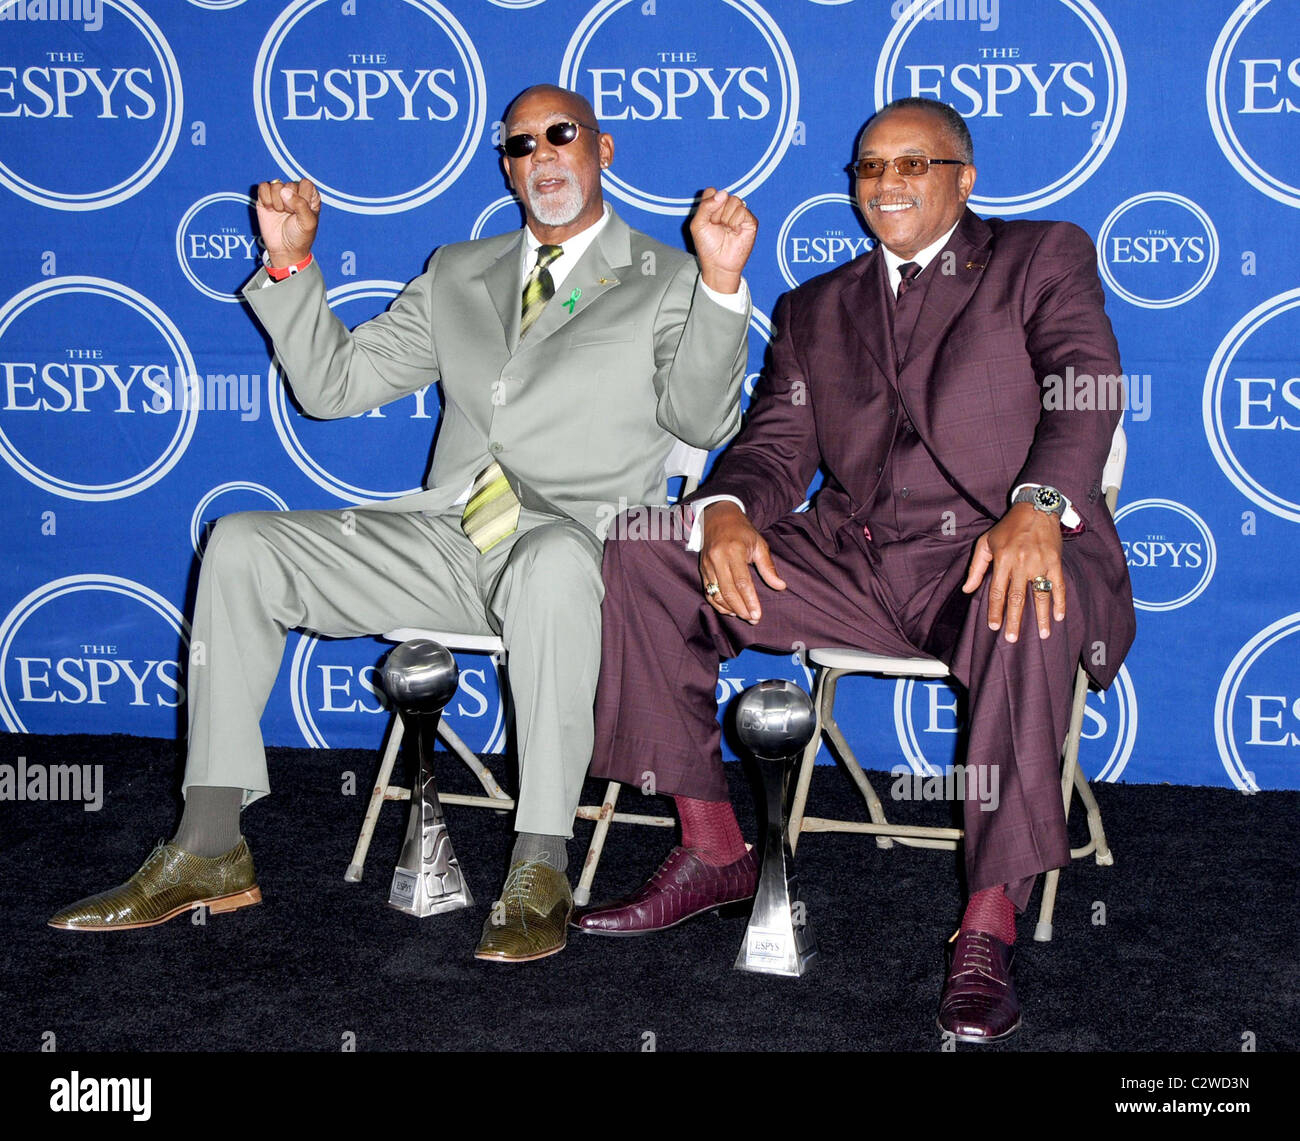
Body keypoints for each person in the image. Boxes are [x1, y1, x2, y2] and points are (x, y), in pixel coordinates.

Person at [49, 84, 756, 964]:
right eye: (518, 144)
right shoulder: (459, 270)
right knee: (239, 543)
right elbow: (335, 387)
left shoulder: (667, 273)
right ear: (504, 166)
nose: (539, 156)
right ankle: (208, 843)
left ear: (602, 149)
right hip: (452, 533)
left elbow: (701, 422)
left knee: (547, 562)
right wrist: (290, 267)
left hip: (573, 547)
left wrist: (723, 283)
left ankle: (540, 863)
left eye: (560, 135)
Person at [574, 96, 1134, 1041]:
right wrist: (722, 512)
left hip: (993, 551)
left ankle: (989, 922)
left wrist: (1039, 509)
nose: (888, 183)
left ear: (964, 178)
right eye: (871, 166)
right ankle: (713, 848)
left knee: (1025, 595)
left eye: (914, 164)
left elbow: (1089, 386)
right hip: (857, 563)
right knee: (643, 543)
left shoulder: (1041, 257)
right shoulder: (814, 307)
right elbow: (776, 448)